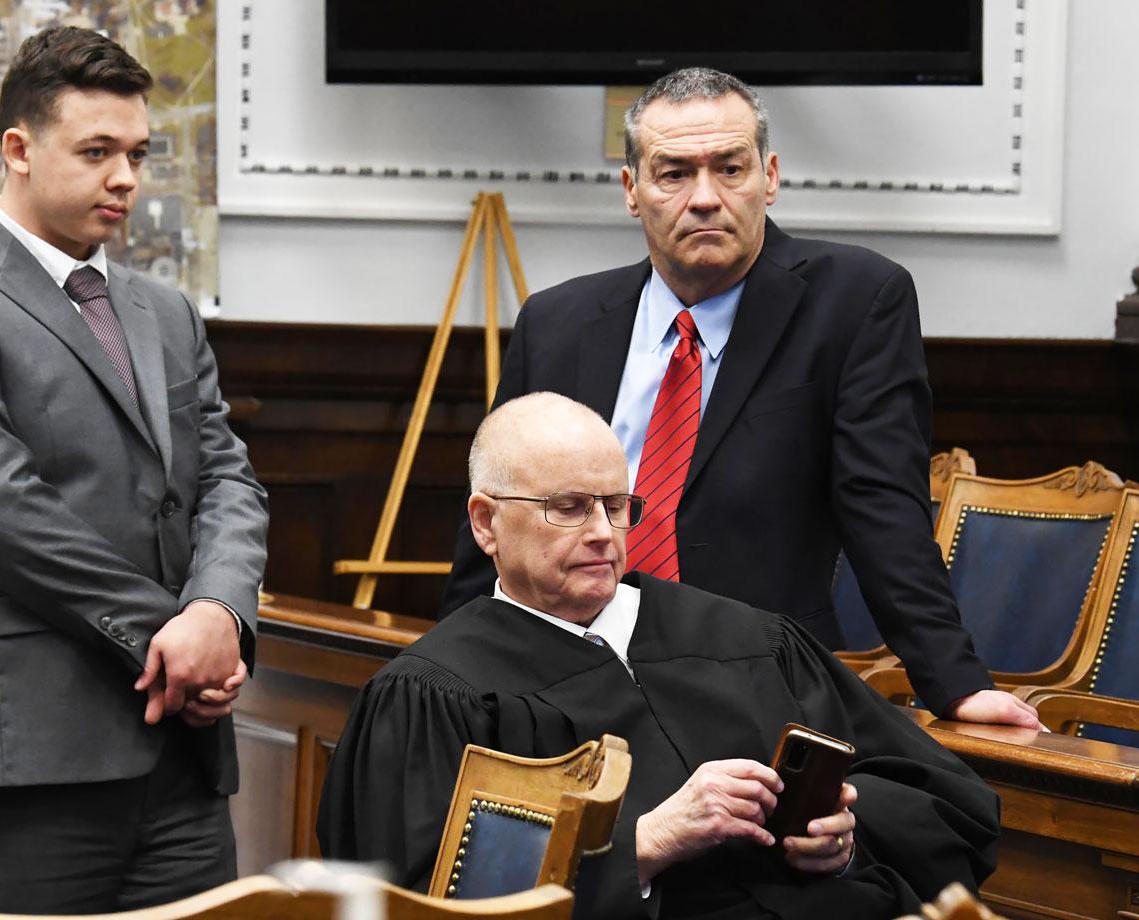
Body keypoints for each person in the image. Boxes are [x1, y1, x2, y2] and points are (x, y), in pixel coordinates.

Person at [440, 67, 1039, 729]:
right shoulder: (558, 323)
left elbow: (885, 514)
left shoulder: (855, 303)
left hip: (758, 689)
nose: (706, 198)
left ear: (770, 177)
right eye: (674, 174)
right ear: (632, 190)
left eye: (730, 168)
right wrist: (451, 680)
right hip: (563, 681)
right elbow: (494, 526)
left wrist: (955, 685)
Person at [322, 394, 999, 920]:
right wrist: (645, 846)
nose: (601, 534)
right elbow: (412, 900)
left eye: (617, 507)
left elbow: (945, 801)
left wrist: (844, 839)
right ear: (485, 522)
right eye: (568, 508)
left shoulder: (749, 640)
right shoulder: (435, 692)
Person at [0, 27, 268, 913]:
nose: (125, 178)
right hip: (31, 756)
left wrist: (219, 612)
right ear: (18, 148)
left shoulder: (163, 310)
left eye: (135, 153)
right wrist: (178, 643)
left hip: (184, 762)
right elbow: (2, 513)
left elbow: (229, 481)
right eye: (97, 152)